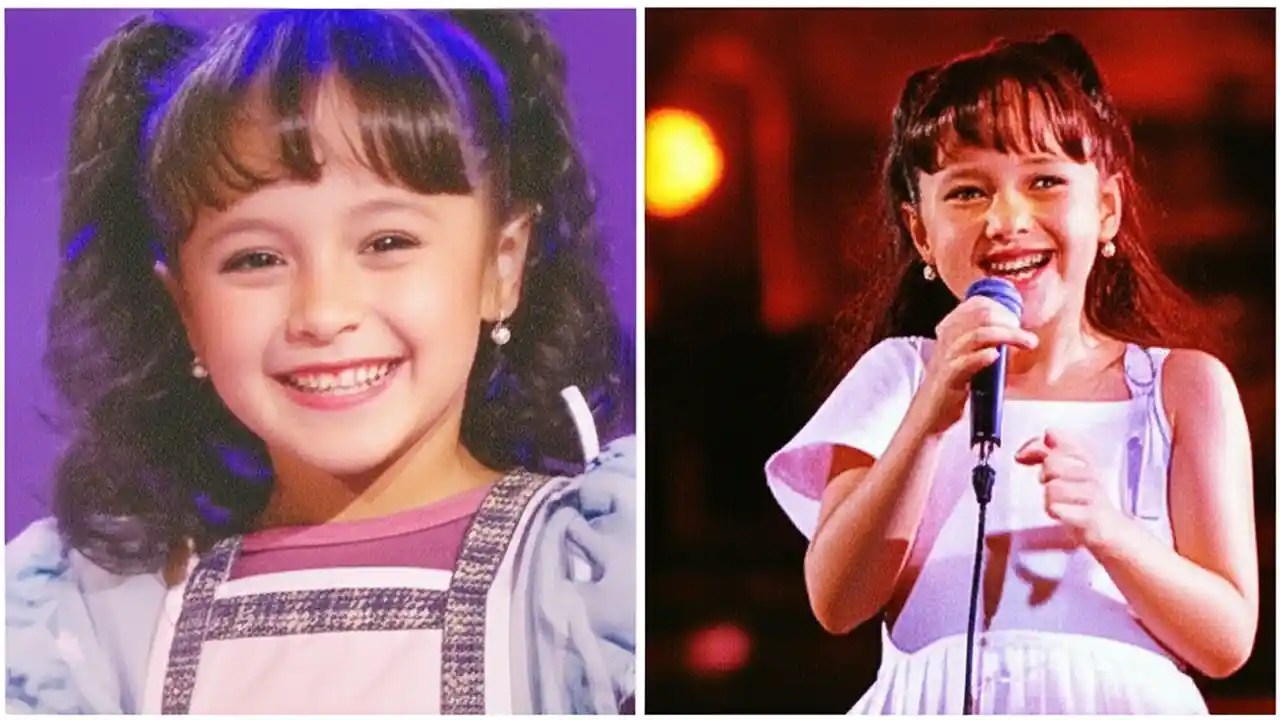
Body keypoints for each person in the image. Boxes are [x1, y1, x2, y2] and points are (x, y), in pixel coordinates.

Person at [7, 10, 634, 715]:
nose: (323, 311)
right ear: (184, 307)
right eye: (257, 259)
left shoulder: (594, 575)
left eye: (388, 241)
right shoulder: (98, 624)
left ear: (502, 265)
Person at [765, 31, 1257, 714]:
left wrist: (1109, 528)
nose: (1007, 219)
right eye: (967, 192)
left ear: (1106, 209)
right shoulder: (902, 375)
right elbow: (837, 600)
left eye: (1045, 181)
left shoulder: (1183, 387)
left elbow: (1227, 638)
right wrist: (930, 418)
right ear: (921, 234)